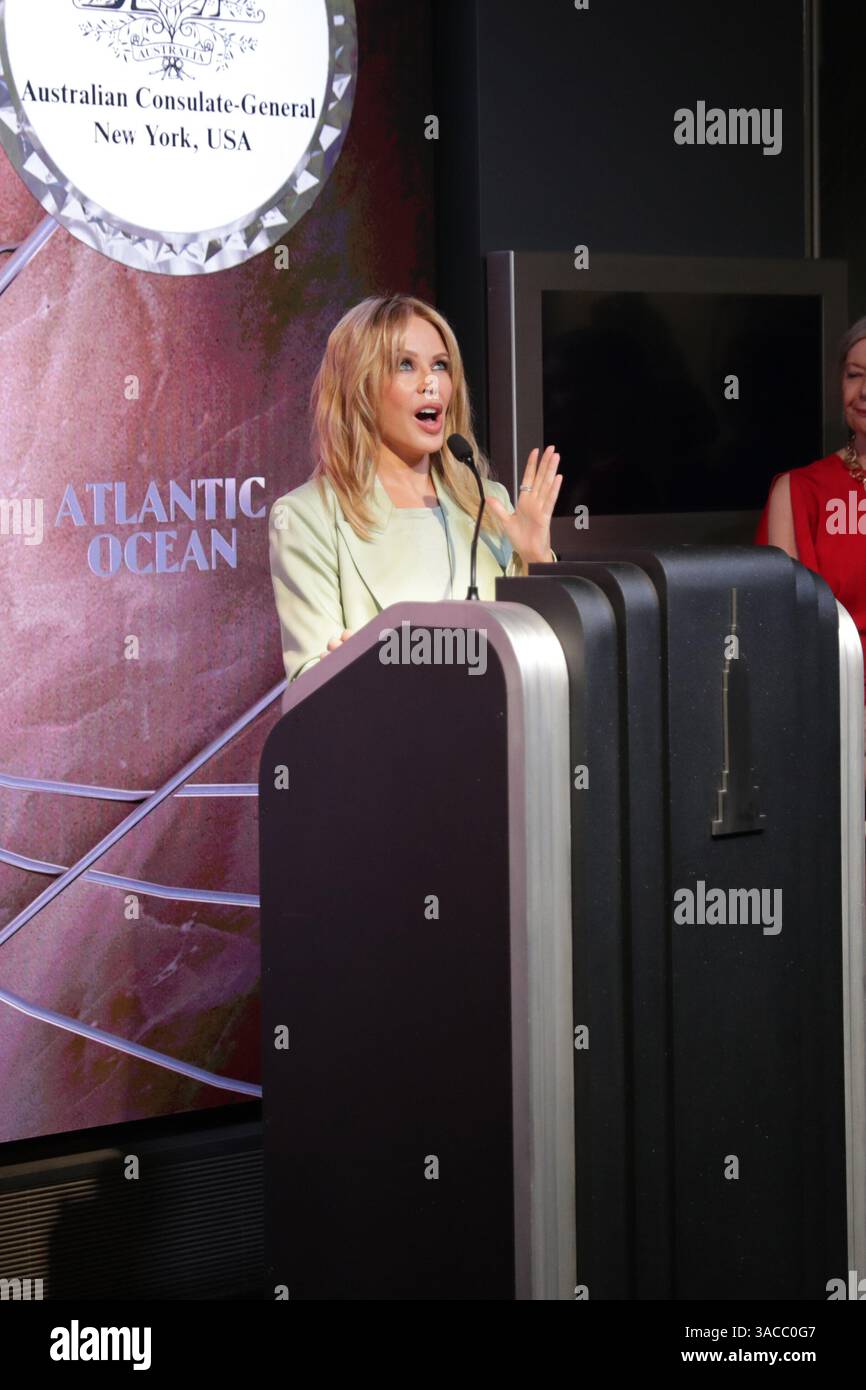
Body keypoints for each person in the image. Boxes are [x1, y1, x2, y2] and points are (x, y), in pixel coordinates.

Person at [269, 294, 562, 684]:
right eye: (405, 365)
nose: (431, 382)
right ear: (360, 387)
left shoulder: (488, 501)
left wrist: (536, 557)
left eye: (440, 365)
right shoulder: (307, 517)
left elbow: (545, 654)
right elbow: (310, 683)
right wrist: (352, 670)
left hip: (500, 733)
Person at [756, 316, 866, 701]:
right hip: (836, 707)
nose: (864, 390)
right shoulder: (797, 490)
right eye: (854, 375)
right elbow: (783, 626)